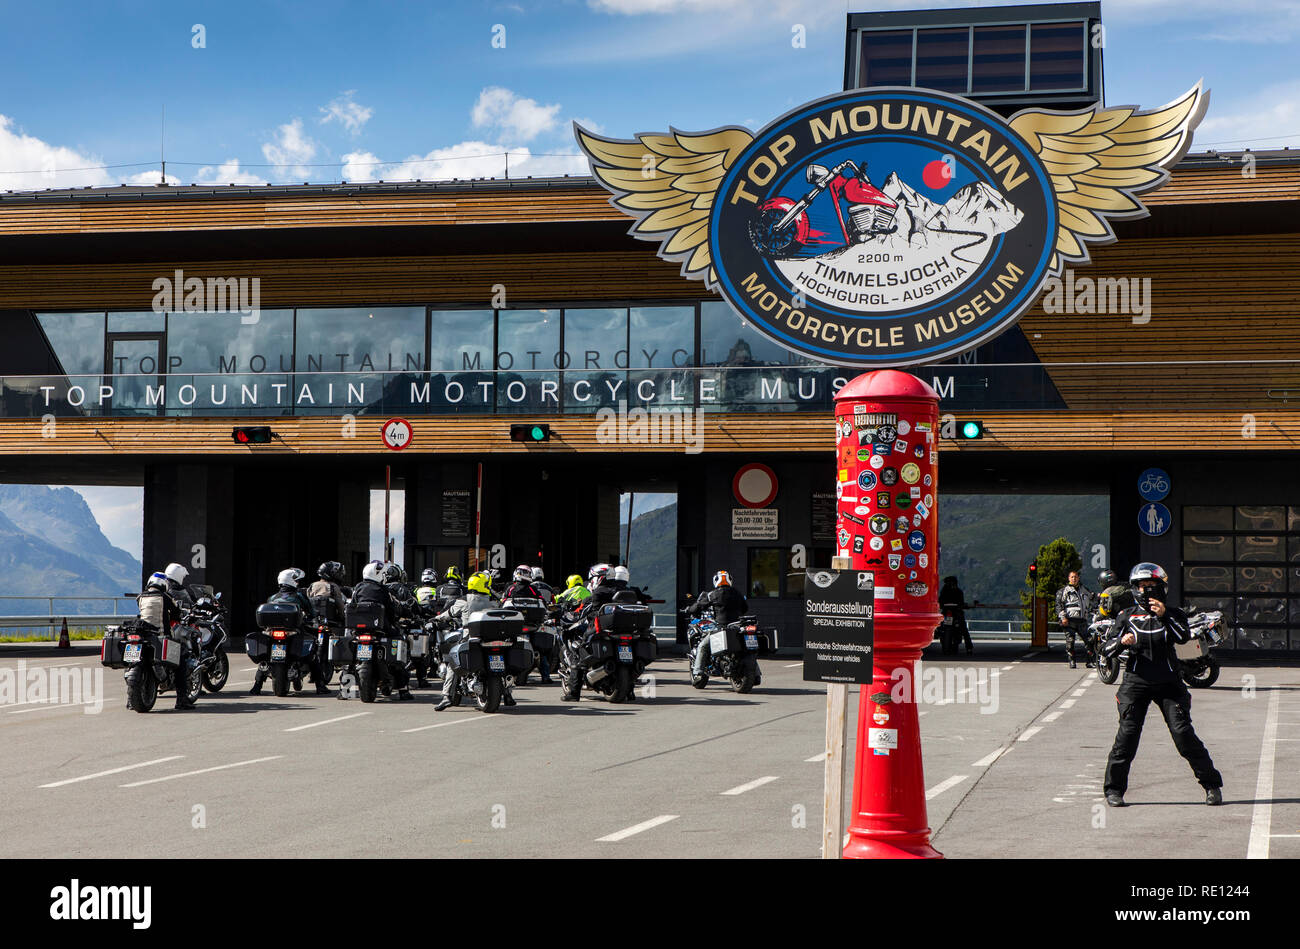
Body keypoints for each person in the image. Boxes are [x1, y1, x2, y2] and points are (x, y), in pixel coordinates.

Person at [1102, 563, 1223, 807]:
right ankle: (1114, 790)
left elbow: (1183, 637)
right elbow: (1106, 650)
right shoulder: (1125, 616)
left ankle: (1212, 785)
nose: (1147, 591)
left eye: (1152, 586)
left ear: (1161, 587)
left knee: (1183, 735)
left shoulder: (1174, 614)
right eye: (1142, 586)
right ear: (1135, 588)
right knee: (1127, 737)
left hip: (1169, 683)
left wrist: (1163, 613)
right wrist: (1122, 643)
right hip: (1135, 683)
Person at [255, 567, 332, 696]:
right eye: (297, 580)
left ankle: (257, 686)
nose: (298, 583)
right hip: (294, 632)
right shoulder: (299, 596)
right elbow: (312, 612)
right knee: (312, 654)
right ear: (292, 581)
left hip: (272, 632)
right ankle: (320, 686)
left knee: (266, 658)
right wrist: (316, 617)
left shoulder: (272, 597)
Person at [435, 571, 504, 711]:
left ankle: (446, 696)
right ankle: (508, 694)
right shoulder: (493, 601)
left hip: (470, 637)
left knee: (452, 663)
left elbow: (448, 614)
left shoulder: (465, 600)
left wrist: (435, 619)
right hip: (492, 638)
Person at [348, 560, 412, 700]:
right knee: (400, 642)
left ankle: (345, 689)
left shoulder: (357, 588)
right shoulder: (383, 590)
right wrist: (394, 621)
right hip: (380, 628)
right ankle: (403, 690)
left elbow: (351, 606)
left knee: (349, 660)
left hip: (358, 630)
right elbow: (391, 610)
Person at [139, 571, 199, 709]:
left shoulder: (140, 597)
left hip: (144, 636)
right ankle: (181, 700)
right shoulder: (165, 597)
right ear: (163, 584)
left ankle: (131, 701)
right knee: (181, 660)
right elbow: (177, 613)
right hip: (161, 637)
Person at [685, 570, 748, 686]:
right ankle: (757, 675)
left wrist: (689, 609)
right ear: (730, 580)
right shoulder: (738, 593)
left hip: (721, 628)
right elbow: (745, 608)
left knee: (702, 646)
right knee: (745, 649)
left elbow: (698, 606)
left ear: (715, 581)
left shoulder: (713, 594)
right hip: (737, 627)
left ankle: (698, 673)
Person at [1055, 569, 1093, 669]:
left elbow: (1093, 598)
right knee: (1070, 642)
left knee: (1090, 641)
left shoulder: (1084, 589)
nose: (1074, 579)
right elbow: (1059, 605)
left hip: (1082, 620)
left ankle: (1089, 661)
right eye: (1072, 577)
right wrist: (1063, 618)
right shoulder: (1063, 591)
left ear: (1078, 578)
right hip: (1069, 621)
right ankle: (1072, 661)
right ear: (1069, 578)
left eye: (1075, 577)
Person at [938, 575, 973, 655]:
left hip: (950, 611)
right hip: (953, 612)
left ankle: (969, 647)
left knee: (963, 629)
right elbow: (961, 602)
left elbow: (940, 601)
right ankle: (969, 648)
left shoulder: (945, 591)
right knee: (964, 630)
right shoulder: (957, 591)